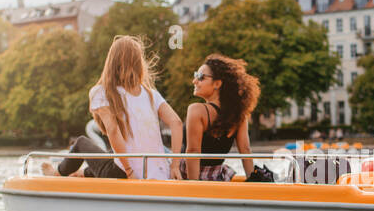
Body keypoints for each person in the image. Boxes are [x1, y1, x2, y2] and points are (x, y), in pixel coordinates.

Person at [44, 35, 183, 179]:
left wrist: (129, 171)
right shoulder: (151, 94)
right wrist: (174, 166)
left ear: (111, 62)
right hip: (160, 172)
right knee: (112, 154)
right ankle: (83, 174)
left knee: (81, 142)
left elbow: (113, 130)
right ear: (138, 63)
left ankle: (58, 172)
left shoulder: (101, 92)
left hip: (125, 172)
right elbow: (177, 123)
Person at [185, 54, 260, 180]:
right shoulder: (238, 115)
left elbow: (193, 151)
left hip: (192, 176)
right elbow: (245, 150)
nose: (194, 81)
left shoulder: (196, 110)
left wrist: (194, 187)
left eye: (200, 77)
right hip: (217, 176)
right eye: (195, 75)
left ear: (217, 84)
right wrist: (253, 180)